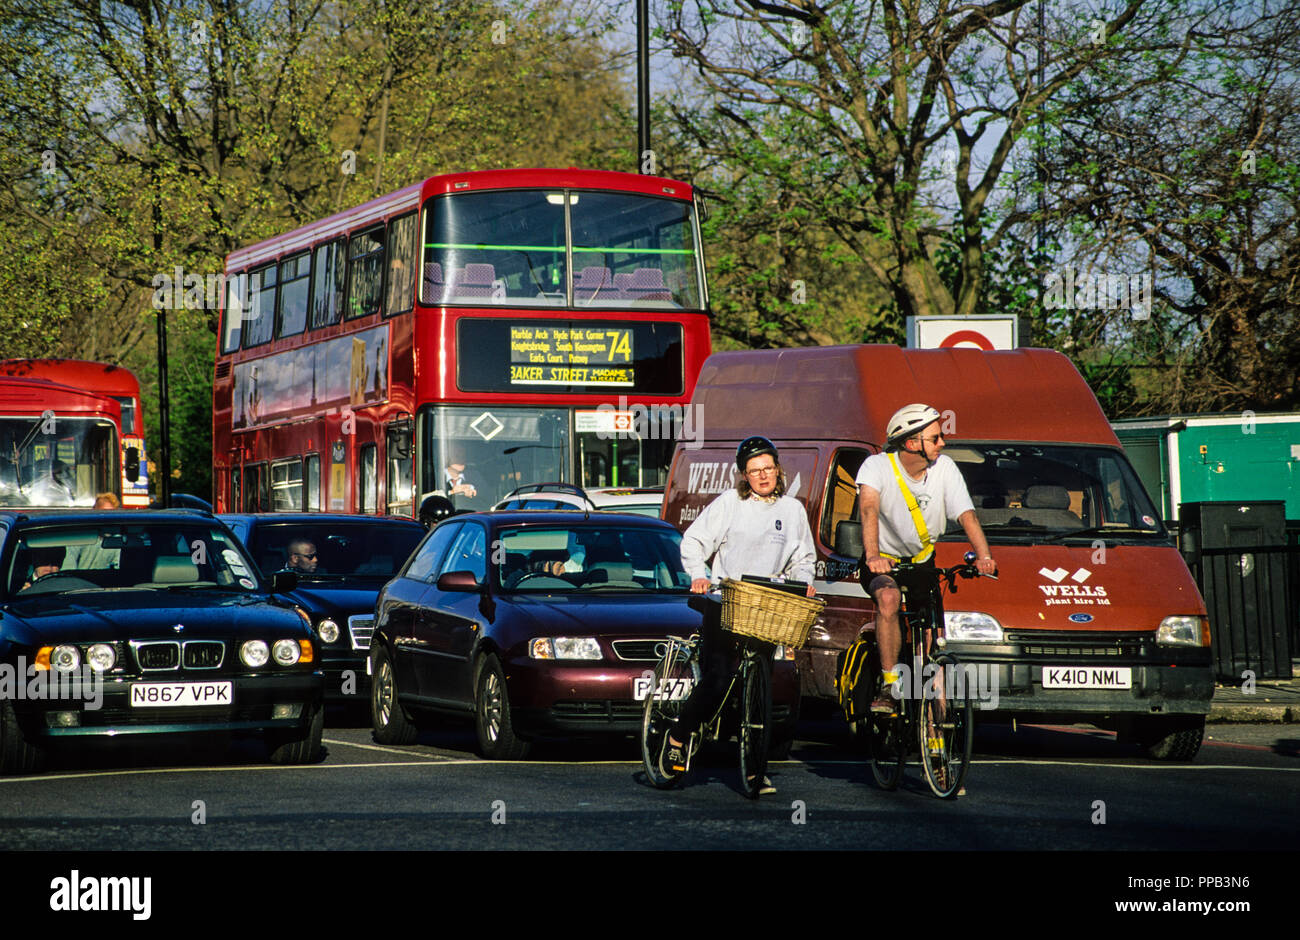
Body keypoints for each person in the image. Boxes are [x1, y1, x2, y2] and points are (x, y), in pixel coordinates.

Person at [661, 436, 816, 792]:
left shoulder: (792, 511)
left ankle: (753, 770)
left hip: (766, 607)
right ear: (744, 476)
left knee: (760, 686)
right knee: (716, 680)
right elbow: (694, 541)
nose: (763, 476)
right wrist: (699, 575)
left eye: (768, 468)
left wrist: (804, 582)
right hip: (726, 602)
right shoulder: (730, 503)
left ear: (778, 468)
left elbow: (804, 558)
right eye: (754, 471)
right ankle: (679, 736)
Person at [857, 404, 996, 712]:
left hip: (922, 562)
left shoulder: (944, 468)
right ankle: (889, 684)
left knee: (934, 630)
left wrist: (984, 556)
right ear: (911, 443)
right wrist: (872, 556)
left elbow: (967, 515)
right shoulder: (876, 466)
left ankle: (936, 709)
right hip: (884, 561)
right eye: (935, 438)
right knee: (889, 598)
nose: (942, 443)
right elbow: (868, 509)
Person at [65, 493, 122, 571]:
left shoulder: (118, 540)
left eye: (111, 514)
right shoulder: (79, 537)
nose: (107, 518)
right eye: (103, 514)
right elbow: (68, 568)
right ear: (94, 512)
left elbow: (117, 569)